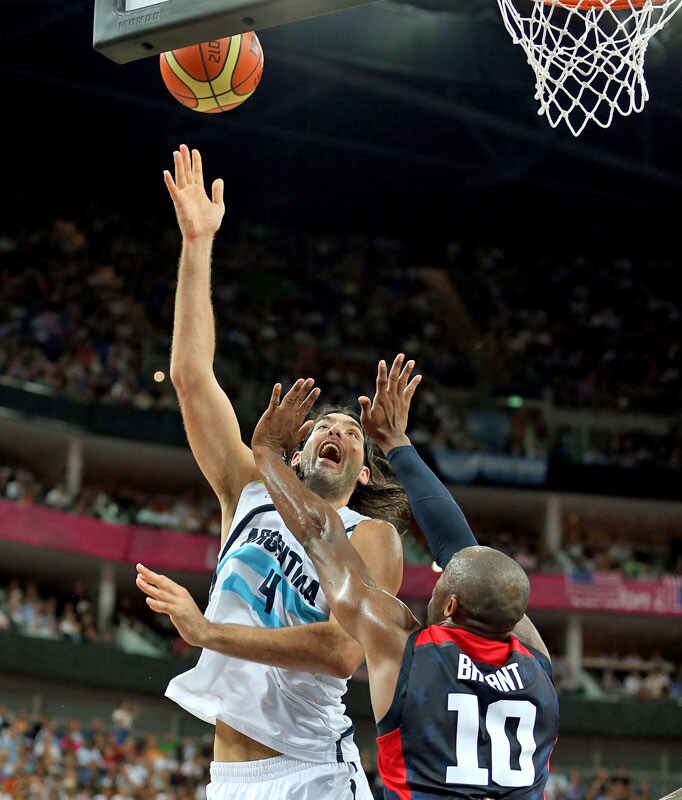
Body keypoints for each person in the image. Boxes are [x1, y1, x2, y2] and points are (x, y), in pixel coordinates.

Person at [135, 144, 406, 800]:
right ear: (297, 445)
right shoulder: (249, 489)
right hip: (228, 776)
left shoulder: (369, 538)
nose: (337, 430)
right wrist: (197, 243)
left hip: (313, 770)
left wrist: (207, 632)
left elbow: (345, 652)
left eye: (351, 433)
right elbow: (191, 377)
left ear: (362, 475)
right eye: (325, 425)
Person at [249, 356, 559, 800]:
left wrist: (266, 455)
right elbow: (466, 556)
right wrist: (396, 442)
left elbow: (322, 534)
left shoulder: (406, 650)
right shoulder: (538, 666)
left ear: (450, 606)